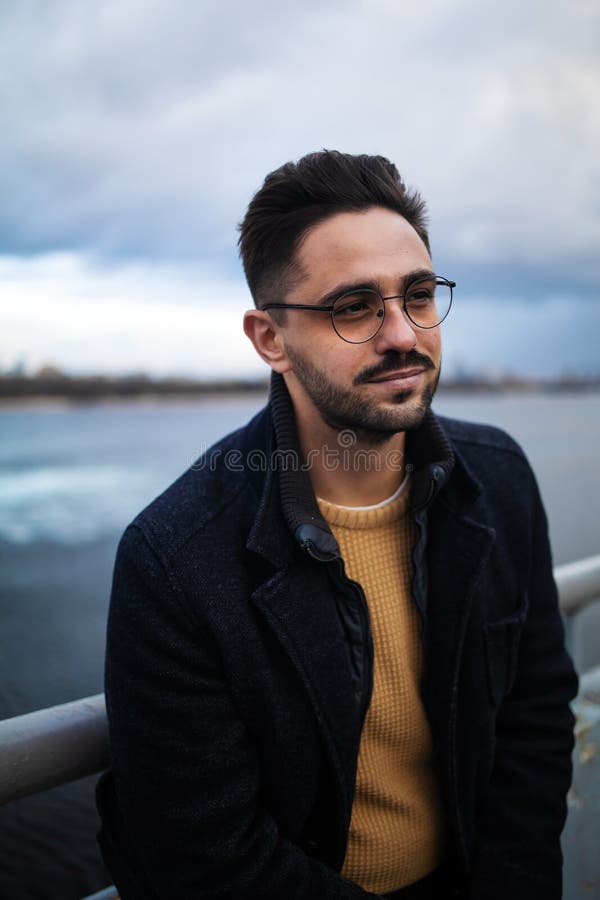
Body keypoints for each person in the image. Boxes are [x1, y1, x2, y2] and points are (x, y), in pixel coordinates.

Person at [96, 150, 578, 899]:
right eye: (354, 307)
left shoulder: (499, 478)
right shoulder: (176, 559)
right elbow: (206, 852)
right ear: (269, 339)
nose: (402, 334)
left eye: (418, 296)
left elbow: (536, 709)